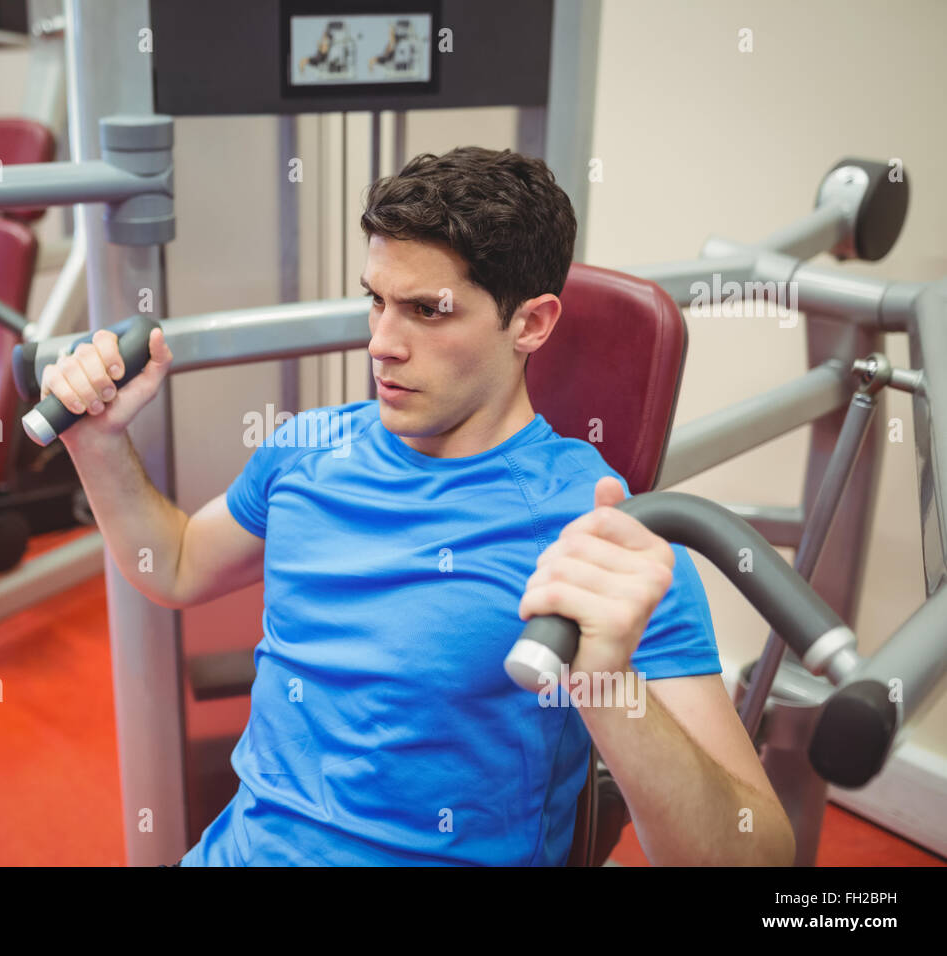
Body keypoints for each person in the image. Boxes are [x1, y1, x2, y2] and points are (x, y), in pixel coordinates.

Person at [40, 147, 796, 866]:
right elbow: (171, 566)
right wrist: (98, 442)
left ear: (530, 324)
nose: (382, 344)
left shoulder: (595, 535)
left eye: (428, 311)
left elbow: (751, 852)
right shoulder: (307, 449)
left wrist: (605, 681)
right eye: (376, 302)